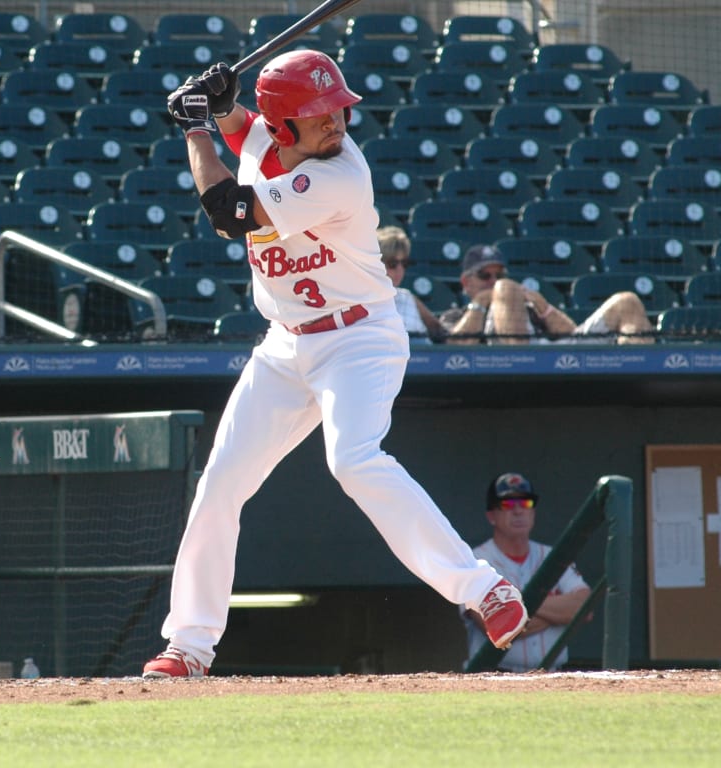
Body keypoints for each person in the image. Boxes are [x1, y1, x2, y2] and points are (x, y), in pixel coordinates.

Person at [141, 51, 527, 679]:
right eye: (319, 113)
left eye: (338, 109)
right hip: (285, 344)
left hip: (360, 338)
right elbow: (247, 133)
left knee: (353, 459)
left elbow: (227, 213)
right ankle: (188, 645)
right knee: (218, 486)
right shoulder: (271, 138)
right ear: (284, 123)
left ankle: (484, 589)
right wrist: (220, 106)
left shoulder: (340, 173)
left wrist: (192, 127)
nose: (337, 121)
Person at [462, 473, 592, 672]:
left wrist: (516, 606)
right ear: (491, 516)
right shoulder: (474, 561)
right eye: (507, 504)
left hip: (552, 677)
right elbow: (499, 626)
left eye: (526, 503)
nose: (518, 511)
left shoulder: (553, 556)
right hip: (494, 677)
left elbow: (585, 608)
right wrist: (557, 611)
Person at [440, 244, 654, 345]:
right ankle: (520, 364)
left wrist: (544, 307)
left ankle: (641, 364)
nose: (493, 281)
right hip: (500, 362)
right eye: (485, 275)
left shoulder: (529, 307)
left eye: (500, 274)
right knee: (507, 288)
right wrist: (480, 303)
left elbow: (574, 338)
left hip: (547, 354)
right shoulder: (455, 316)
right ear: (466, 283)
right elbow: (455, 349)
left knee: (627, 302)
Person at [376, 225, 443, 342]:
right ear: (375, 263)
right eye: (392, 263)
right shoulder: (356, 299)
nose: (400, 269)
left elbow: (439, 331)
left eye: (404, 263)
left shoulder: (406, 297)